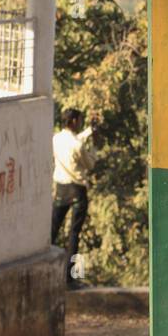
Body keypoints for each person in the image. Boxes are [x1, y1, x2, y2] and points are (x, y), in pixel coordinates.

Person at [51, 107, 96, 287]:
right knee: (74, 234)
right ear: (74, 121)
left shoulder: (56, 138)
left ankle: (49, 272)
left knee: (53, 229)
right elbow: (89, 163)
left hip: (61, 189)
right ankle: (70, 277)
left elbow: (73, 142)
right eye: (79, 120)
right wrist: (94, 146)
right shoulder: (78, 145)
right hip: (77, 190)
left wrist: (88, 132)